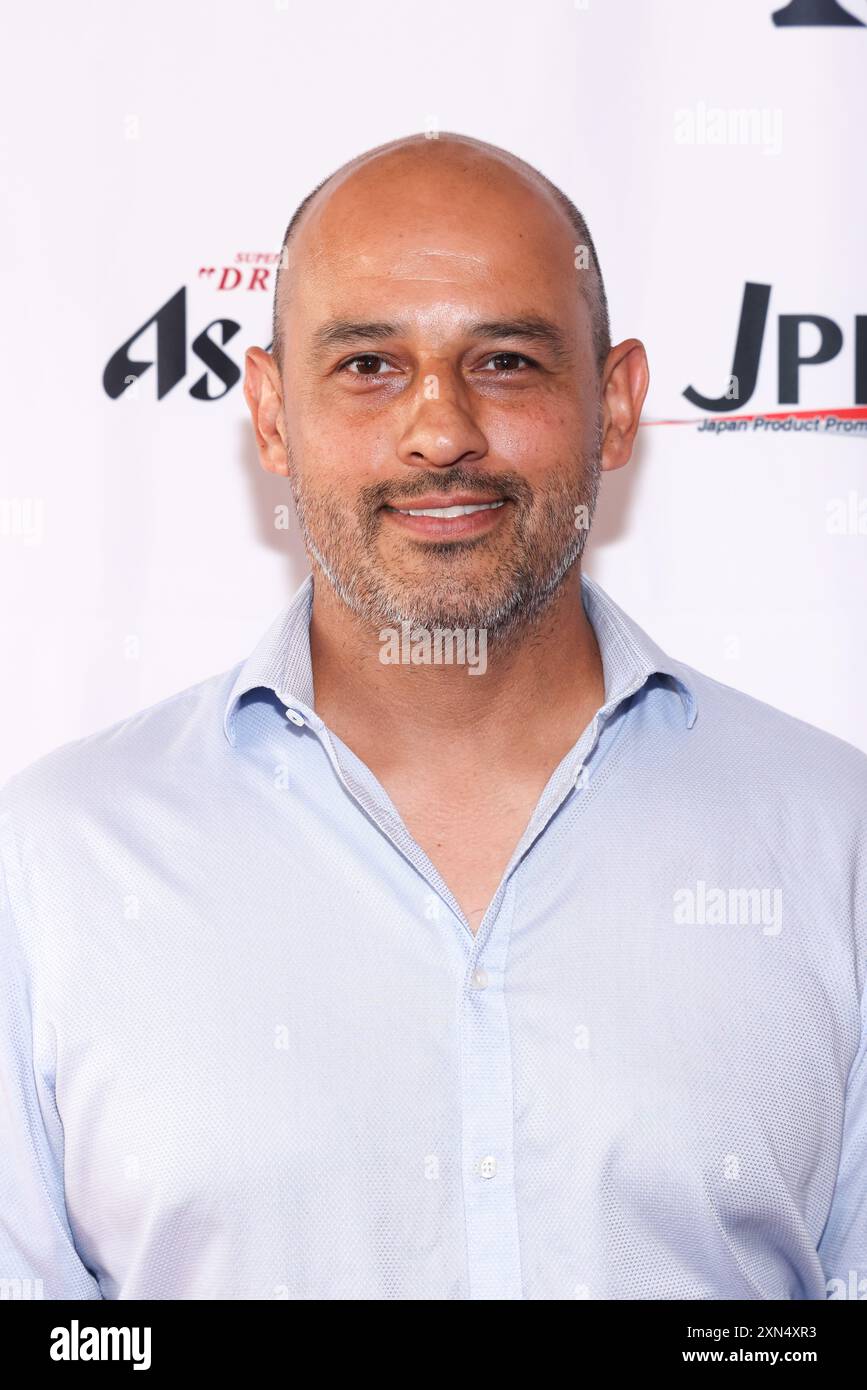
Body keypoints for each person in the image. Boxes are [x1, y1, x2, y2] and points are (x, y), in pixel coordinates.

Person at [1, 133, 864, 1301]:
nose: (441, 429)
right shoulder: (55, 862)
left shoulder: (833, 840)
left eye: (505, 361)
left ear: (616, 407)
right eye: (367, 366)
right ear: (270, 414)